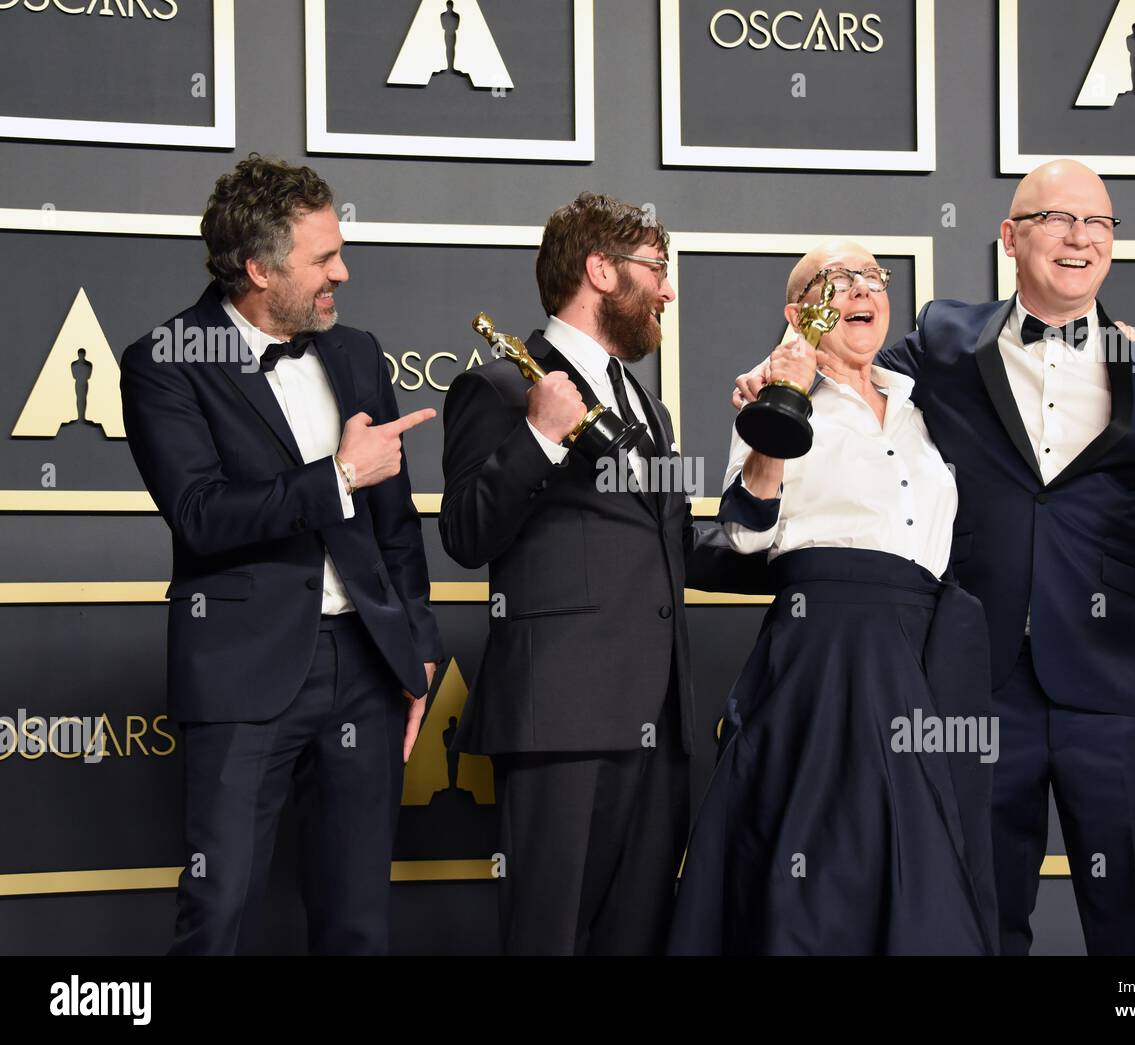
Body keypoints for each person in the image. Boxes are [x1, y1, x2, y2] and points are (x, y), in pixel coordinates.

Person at [734, 159, 1135, 955]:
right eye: (1057, 219)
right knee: (978, 921)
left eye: (1098, 223)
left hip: (1117, 684)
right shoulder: (940, 341)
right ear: (1010, 236)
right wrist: (779, 375)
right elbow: (845, 372)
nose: (1080, 237)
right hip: (975, 685)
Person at [120, 155, 443, 955]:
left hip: (366, 668)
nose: (343, 270)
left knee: (357, 916)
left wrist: (419, 648)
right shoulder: (163, 360)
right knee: (220, 907)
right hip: (243, 669)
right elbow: (200, 515)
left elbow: (395, 526)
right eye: (322, 258)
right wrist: (336, 475)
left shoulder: (358, 353)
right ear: (259, 268)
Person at [439, 192, 766, 955]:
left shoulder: (647, 408)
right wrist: (539, 437)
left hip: (662, 722)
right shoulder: (495, 388)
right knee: (546, 938)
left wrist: (789, 543)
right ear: (600, 271)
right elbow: (463, 532)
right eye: (658, 268)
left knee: (638, 938)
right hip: (561, 719)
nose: (670, 289)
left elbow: (675, 541)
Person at [669, 241, 998, 955]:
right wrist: (778, 412)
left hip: (926, 653)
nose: (862, 289)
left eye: (873, 277)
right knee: (817, 872)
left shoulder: (923, 400)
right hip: (825, 650)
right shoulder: (769, 402)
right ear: (799, 313)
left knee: (932, 861)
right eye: (838, 279)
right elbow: (746, 534)